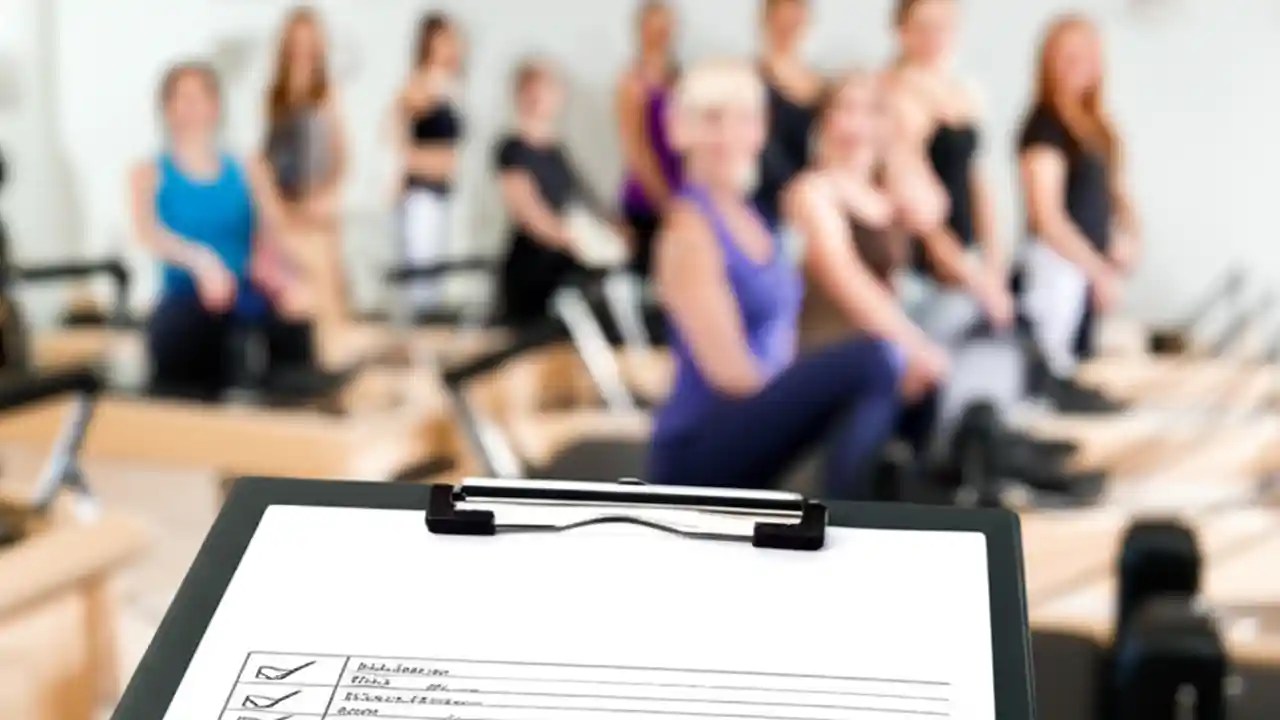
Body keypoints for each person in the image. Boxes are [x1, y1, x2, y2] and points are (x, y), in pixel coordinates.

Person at [649, 60, 922, 499]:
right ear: (681, 130)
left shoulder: (755, 219)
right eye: (712, 120)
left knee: (897, 377)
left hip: (753, 415)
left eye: (742, 119)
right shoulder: (688, 229)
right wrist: (803, 393)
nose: (728, 135)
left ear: (760, 130)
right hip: (699, 447)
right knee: (875, 359)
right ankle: (852, 523)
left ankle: (912, 504)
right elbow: (730, 374)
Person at [129, 62, 313, 399]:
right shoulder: (148, 172)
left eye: (199, 97)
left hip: (244, 290)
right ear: (166, 108)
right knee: (174, 331)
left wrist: (287, 273)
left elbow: (275, 228)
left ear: (215, 106)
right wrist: (200, 262)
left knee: (295, 321)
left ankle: (295, 419)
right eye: (181, 98)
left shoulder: (248, 168)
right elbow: (148, 233)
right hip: (186, 298)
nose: (191, 107)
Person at [1018, 15, 1140, 377]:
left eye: (1085, 56)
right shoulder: (1044, 127)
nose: (1077, 66)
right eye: (1066, 56)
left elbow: (1117, 193)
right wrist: (1098, 271)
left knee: (1080, 364)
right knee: (1054, 368)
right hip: (1058, 270)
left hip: (1089, 273)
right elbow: (1047, 218)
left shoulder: (1098, 126)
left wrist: (1131, 235)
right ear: (1048, 62)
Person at [885, 0, 1013, 344]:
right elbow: (915, 208)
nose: (933, 37)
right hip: (923, 268)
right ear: (902, 31)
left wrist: (994, 265)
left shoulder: (963, 94)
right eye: (923, 27)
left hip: (965, 257)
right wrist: (971, 276)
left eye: (942, 27)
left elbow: (976, 182)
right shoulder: (895, 97)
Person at [496, 60, 617, 324]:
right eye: (535, 92)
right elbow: (529, 213)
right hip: (535, 267)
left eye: (548, 91)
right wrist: (578, 241)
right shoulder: (512, 150)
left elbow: (582, 199)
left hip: (567, 261)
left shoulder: (556, 150)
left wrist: (611, 231)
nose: (542, 99)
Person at [261, 7, 348, 362]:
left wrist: (326, 197)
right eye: (295, 41)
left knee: (327, 301)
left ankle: (334, 368)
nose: (301, 48)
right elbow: (268, 159)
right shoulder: (274, 96)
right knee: (295, 302)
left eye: (308, 41)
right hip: (285, 214)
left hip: (315, 213)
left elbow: (341, 156)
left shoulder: (326, 94)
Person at [395, 13, 466, 311]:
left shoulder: (451, 87)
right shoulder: (418, 87)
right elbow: (395, 141)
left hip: (444, 192)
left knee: (439, 282)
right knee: (421, 286)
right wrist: (425, 161)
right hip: (421, 193)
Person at [616, 0, 681, 278]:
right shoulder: (632, 83)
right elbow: (636, 150)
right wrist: (664, 201)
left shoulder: (679, 79)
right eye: (653, 28)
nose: (659, 35)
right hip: (646, 198)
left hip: (680, 194)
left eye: (665, 28)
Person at [754, 0, 822, 226]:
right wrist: (792, 189)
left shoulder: (819, 82)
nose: (791, 20)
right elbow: (761, 144)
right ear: (768, 18)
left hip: (814, 201)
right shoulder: (754, 78)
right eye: (784, 12)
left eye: (797, 12)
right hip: (767, 200)